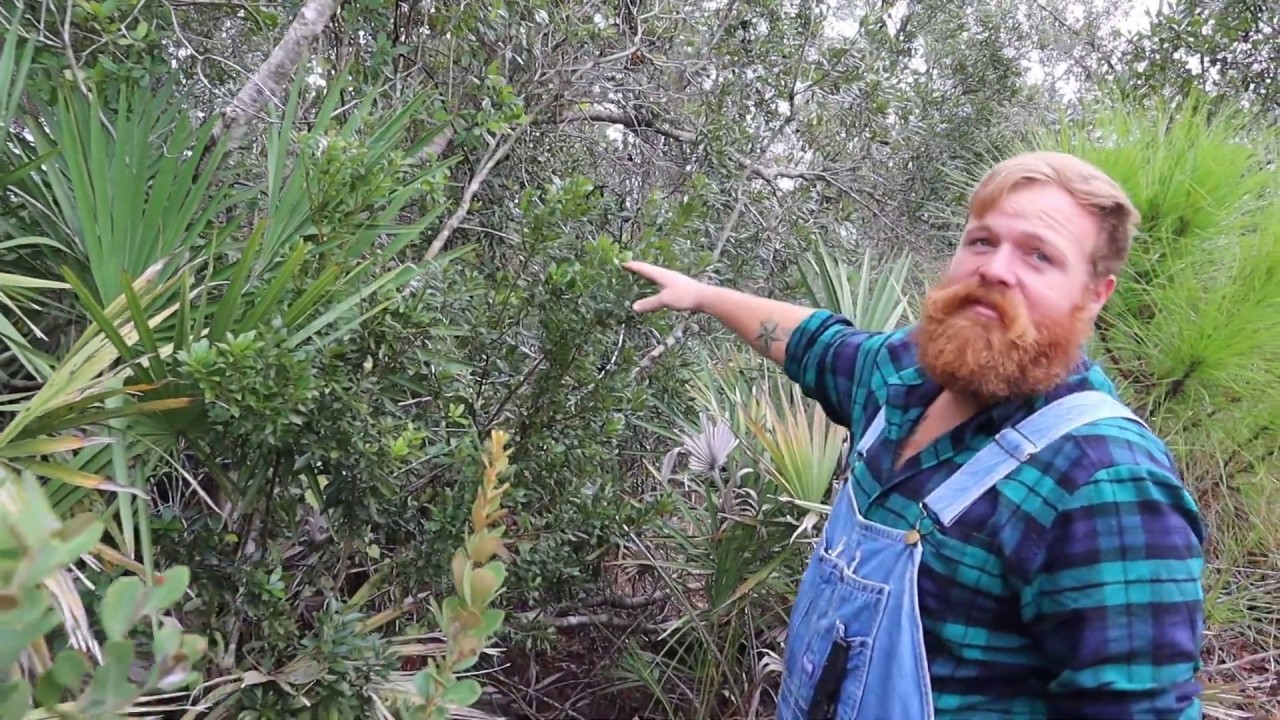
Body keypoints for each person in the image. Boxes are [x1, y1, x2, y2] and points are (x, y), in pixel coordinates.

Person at [622, 151, 1206, 720]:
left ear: (1094, 295)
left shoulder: (1105, 479)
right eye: (983, 241)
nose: (995, 269)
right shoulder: (903, 376)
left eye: (1039, 256)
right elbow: (814, 344)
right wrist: (704, 296)